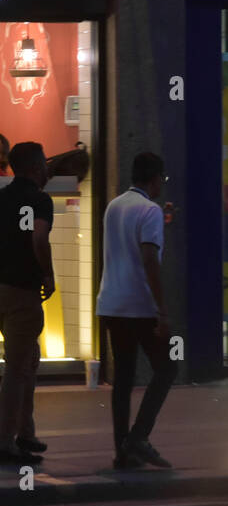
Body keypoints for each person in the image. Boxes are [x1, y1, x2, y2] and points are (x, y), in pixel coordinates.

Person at [0, 142, 54, 464]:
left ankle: (26, 432)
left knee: (28, 358)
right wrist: (48, 275)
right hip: (22, 293)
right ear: (35, 168)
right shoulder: (40, 200)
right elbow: (39, 238)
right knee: (17, 368)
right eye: (44, 164)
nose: (47, 170)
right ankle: (6, 444)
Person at [96, 152, 178, 470]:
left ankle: (123, 451)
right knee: (167, 369)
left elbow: (127, 243)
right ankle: (138, 437)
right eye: (163, 179)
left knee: (124, 379)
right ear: (155, 177)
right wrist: (163, 310)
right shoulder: (150, 210)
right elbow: (148, 259)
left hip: (111, 304)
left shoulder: (115, 206)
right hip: (139, 306)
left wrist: (162, 220)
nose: (162, 185)